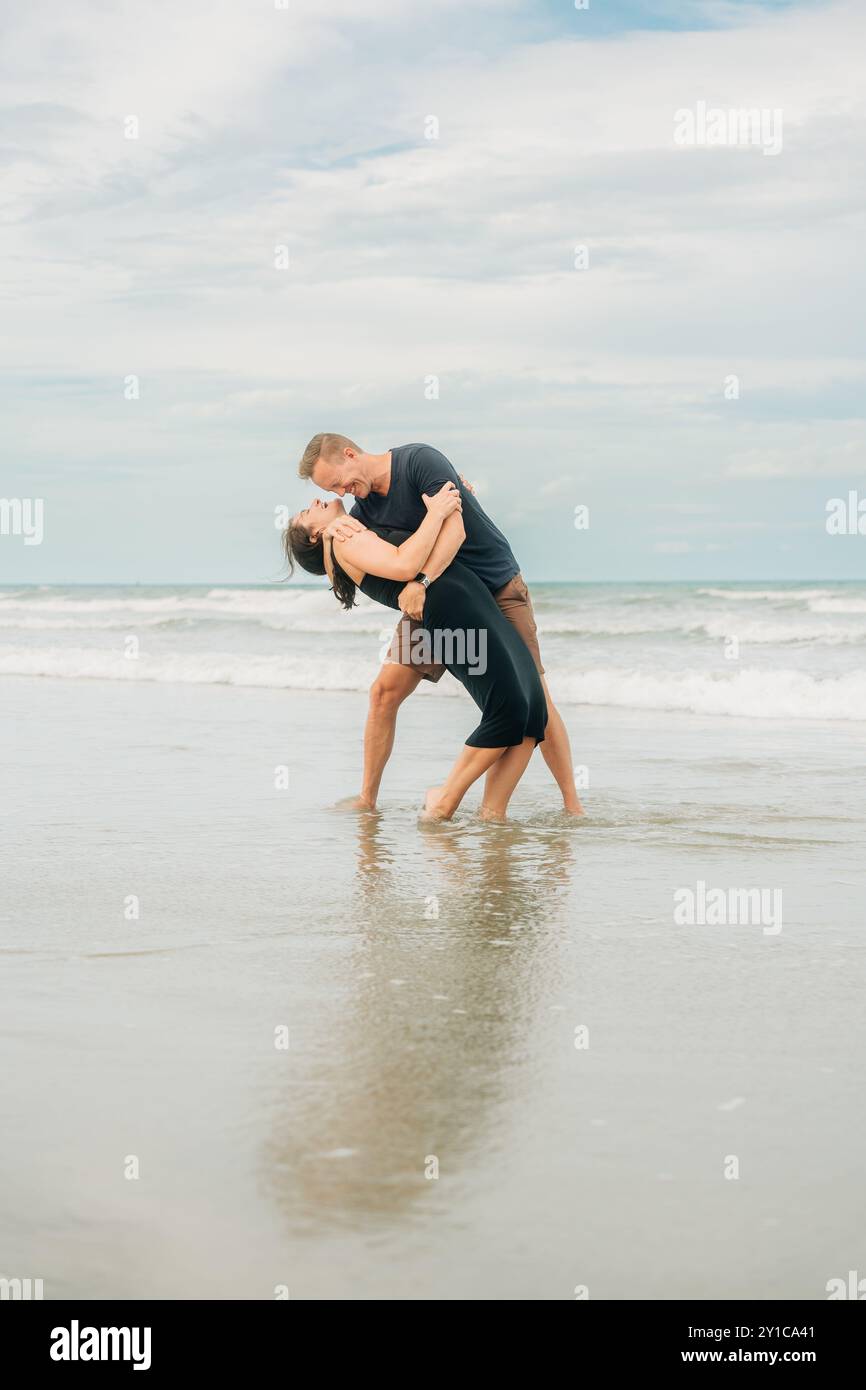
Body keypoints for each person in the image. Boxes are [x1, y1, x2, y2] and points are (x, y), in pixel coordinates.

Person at [297, 433, 584, 815]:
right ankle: (368, 799)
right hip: (436, 602)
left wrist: (421, 581)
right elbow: (386, 564)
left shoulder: (419, 462)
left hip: (493, 587)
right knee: (384, 693)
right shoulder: (360, 514)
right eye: (334, 490)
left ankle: (570, 804)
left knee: (534, 701)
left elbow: (456, 530)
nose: (343, 492)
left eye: (338, 482)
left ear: (350, 454)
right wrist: (338, 537)